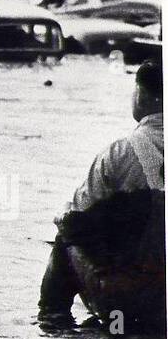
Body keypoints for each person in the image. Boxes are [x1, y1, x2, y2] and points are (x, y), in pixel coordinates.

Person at [39, 60, 165, 325]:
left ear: (142, 97)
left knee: (66, 233)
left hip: (137, 297)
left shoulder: (120, 153)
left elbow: (75, 220)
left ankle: (53, 320)